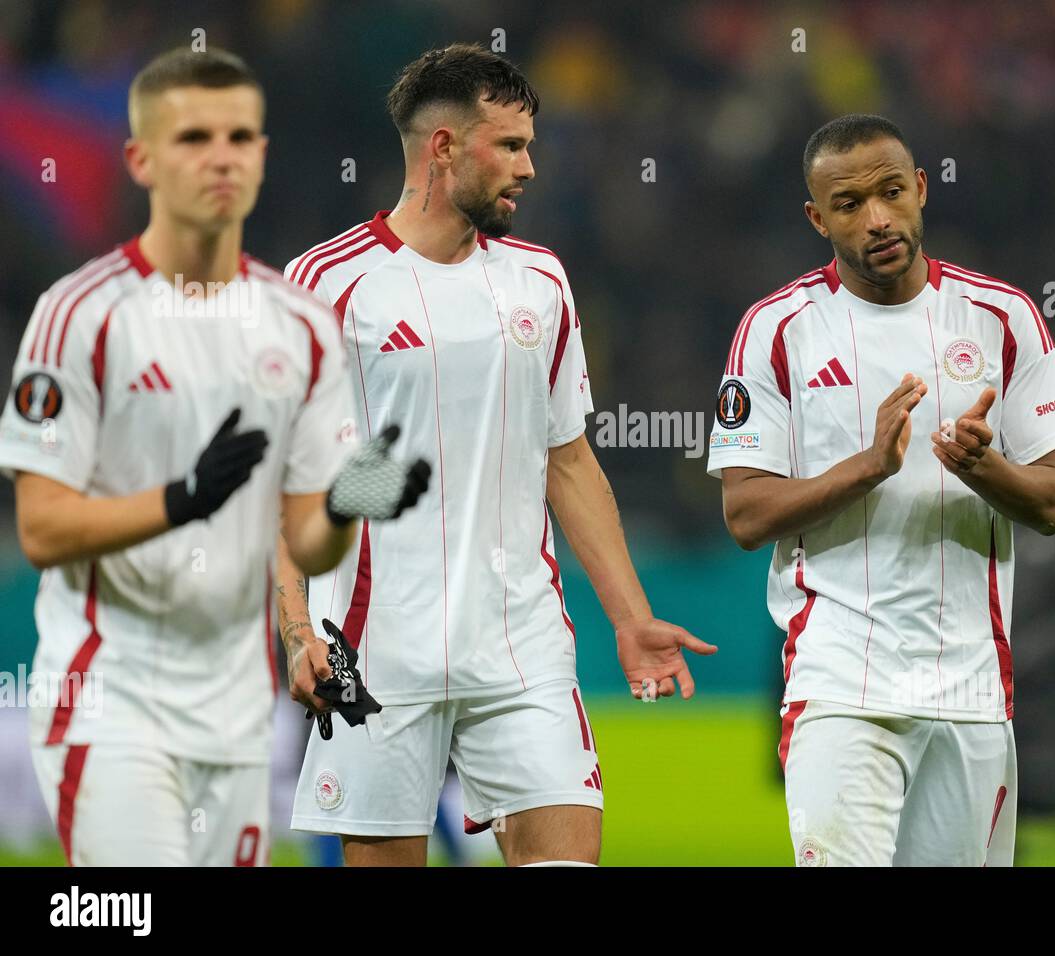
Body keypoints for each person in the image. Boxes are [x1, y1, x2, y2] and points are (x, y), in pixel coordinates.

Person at [279, 43, 715, 867]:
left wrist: (629, 617)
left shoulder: (539, 282)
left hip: (522, 650)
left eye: (530, 146)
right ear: (443, 147)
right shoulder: (326, 283)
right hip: (374, 653)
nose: (530, 168)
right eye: (510, 146)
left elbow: (570, 460)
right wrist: (297, 627)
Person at [0, 47, 429, 866]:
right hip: (111, 700)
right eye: (194, 137)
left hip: (237, 716)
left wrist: (345, 504)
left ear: (263, 155)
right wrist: (183, 500)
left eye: (239, 136)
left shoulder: (298, 328)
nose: (221, 156)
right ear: (142, 159)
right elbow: (43, 528)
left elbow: (307, 542)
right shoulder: (79, 316)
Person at [708, 114, 1055, 866]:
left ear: (919, 189)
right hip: (841, 678)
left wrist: (988, 470)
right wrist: (869, 466)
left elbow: (1052, 502)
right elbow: (746, 515)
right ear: (818, 218)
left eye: (890, 192)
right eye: (849, 205)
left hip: (973, 693)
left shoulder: (1003, 319)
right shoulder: (777, 330)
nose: (877, 218)